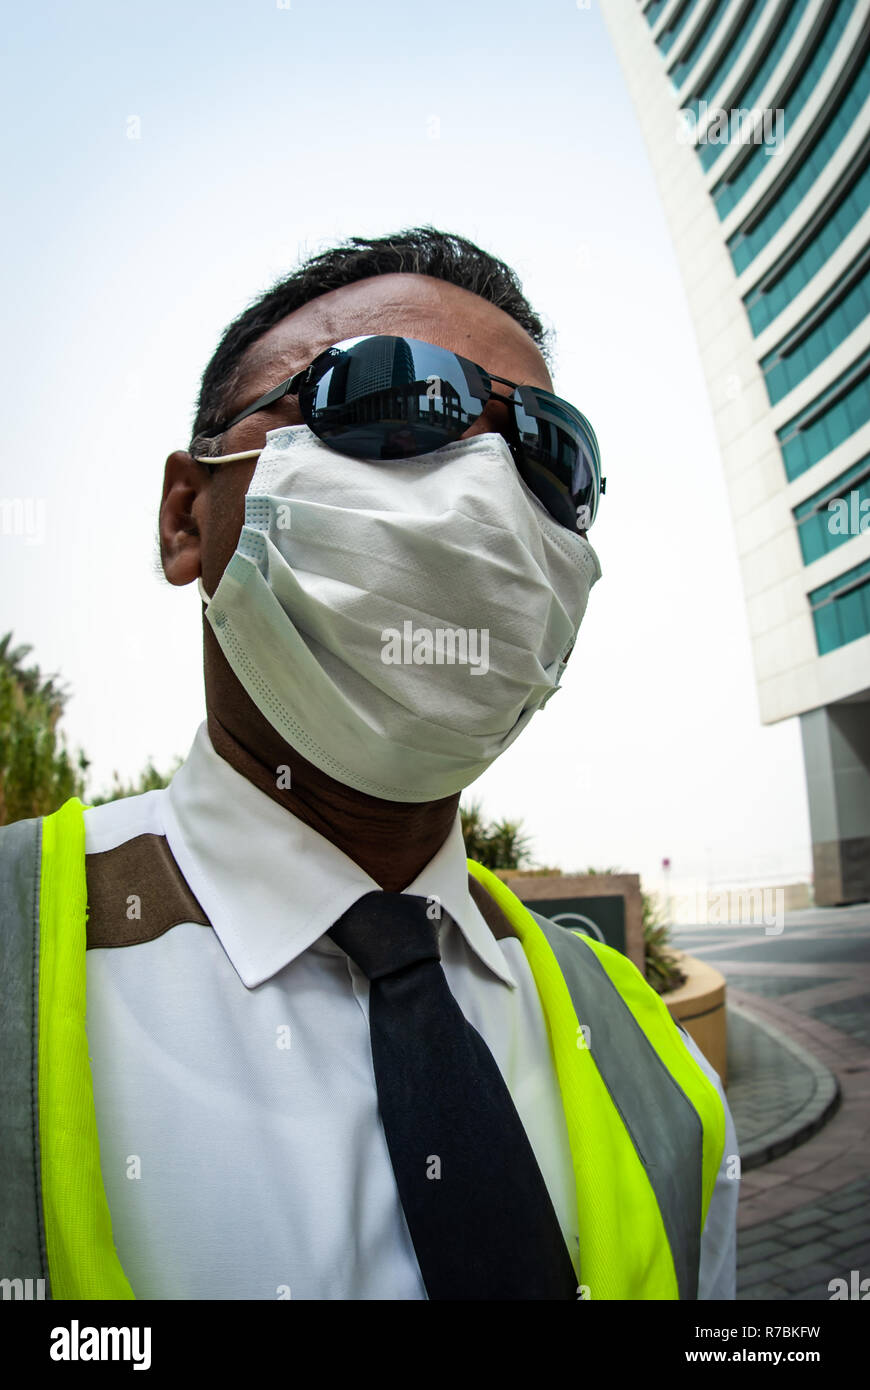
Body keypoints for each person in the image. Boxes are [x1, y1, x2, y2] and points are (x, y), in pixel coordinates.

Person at [0, 226, 738, 1301]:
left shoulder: (661, 1074)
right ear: (184, 517)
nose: (487, 491)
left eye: (548, 453)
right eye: (390, 399)